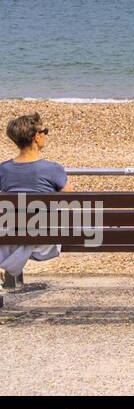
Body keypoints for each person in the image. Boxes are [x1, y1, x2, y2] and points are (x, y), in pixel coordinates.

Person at [0, 113, 69, 289]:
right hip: (46, 240)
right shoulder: (53, 169)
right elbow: (71, 202)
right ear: (36, 137)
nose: (45, 134)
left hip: (11, 236)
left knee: (17, 231)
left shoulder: (3, 170)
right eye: (44, 131)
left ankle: (9, 266)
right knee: (36, 229)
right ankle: (10, 265)